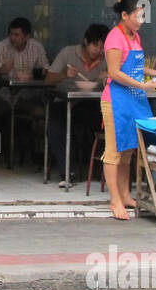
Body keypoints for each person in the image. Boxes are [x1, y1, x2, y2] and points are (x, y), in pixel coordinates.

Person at [101, 0, 156, 219]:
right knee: (114, 152)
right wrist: (143, 86)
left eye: (143, 16)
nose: (141, 21)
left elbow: (135, 66)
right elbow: (115, 72)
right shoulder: (114, 38)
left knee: (127, 151)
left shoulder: (135, 36)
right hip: (115, 101)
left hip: (132, 100)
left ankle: (125, 195)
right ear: (124, 15)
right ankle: (115, 200)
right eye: (137, 16)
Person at [45, 23, 110, 183]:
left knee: (109, 122)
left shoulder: (106, 59)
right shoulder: (68, 53)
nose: (98, 51)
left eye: (102, 47)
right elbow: (48, 80)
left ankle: (101, 170)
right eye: (95, 45)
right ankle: (68, 171)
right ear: (86, 41)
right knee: (54, 125)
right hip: (65, 102)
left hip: (91, 106)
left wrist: (109, 77)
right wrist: (64, 74)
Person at [0, 17, 49, 161]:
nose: (12, 38)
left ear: (27, 36)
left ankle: (40, 154)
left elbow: (46, 70)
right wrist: (2, 70)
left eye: (17, 35)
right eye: (11, 34)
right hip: (7, 92)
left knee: (43, 113)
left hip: (29, 94)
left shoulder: (37, 47)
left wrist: (35, 75)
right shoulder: (2, 46)